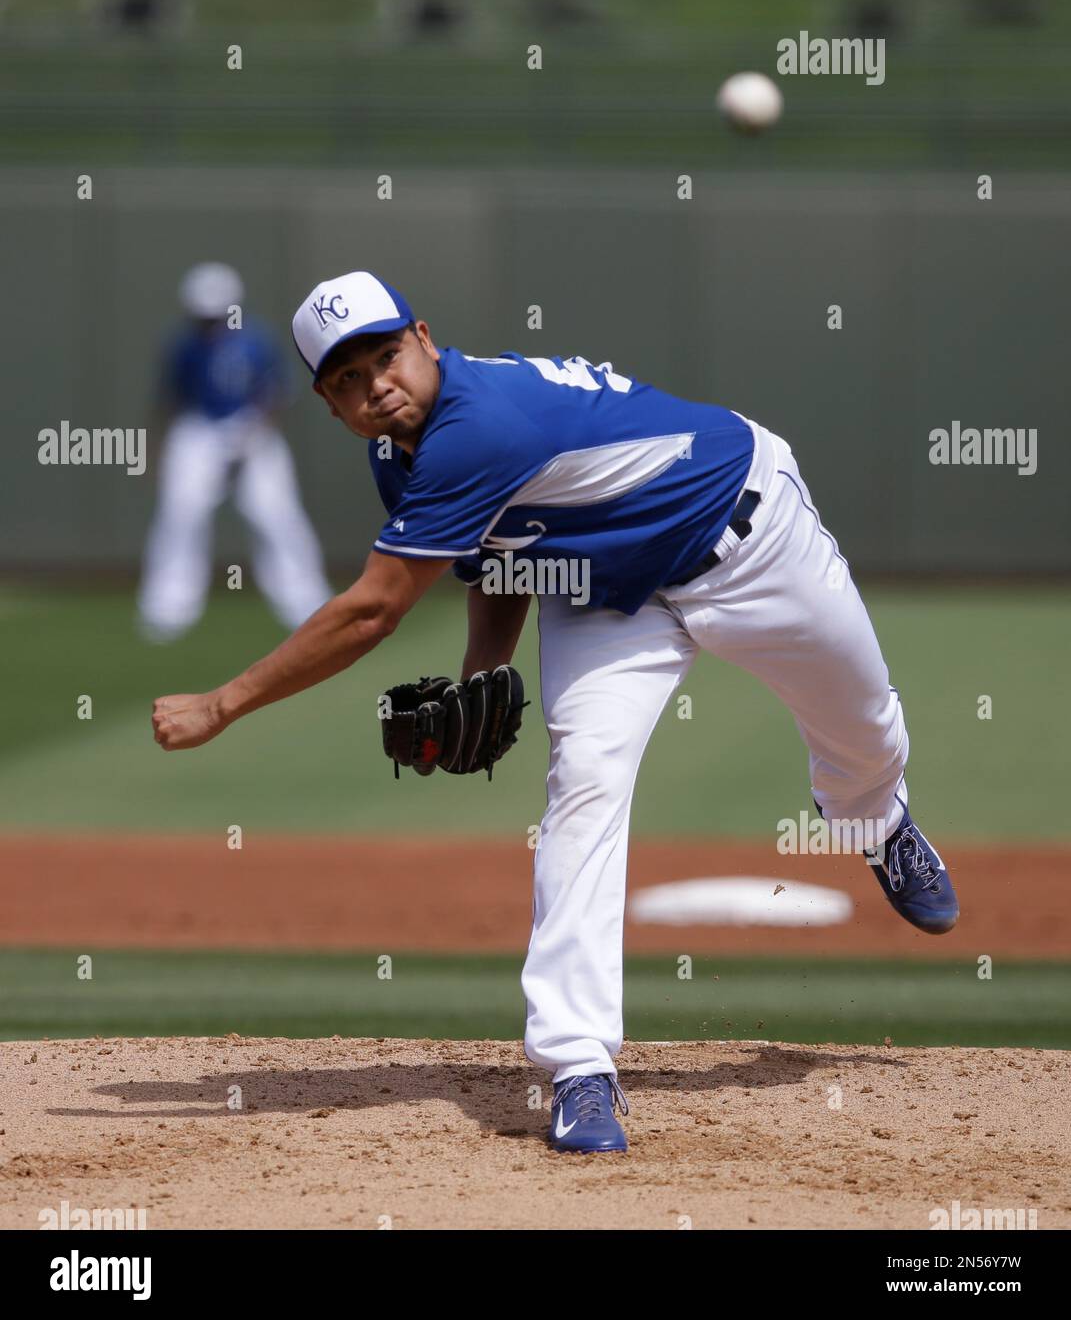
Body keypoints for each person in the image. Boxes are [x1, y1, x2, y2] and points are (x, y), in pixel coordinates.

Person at [151, 269, 960, 1154]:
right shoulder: (400, 456)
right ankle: (579, 1069)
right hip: (606, 594)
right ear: (326, 401)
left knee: (862, 726)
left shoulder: (476, 425)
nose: (375, 385)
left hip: (746, 536)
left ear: (424, 339)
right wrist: (478, 674)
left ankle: (874, 820)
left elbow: (373, 610)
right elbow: (502, 555)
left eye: (385, 357)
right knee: (583, 785)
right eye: (347, 379)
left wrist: (221, 704)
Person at [136, 262, 331, 642]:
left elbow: (277, 394)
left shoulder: (256, 340)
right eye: (203, 317)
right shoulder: (182, 346)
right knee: (180, 514)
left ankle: (306, 603)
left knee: (276, 514)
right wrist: (158, 453)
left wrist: (254, 434)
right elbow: (168, 402)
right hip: (198, 431)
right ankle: (168, 606)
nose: (209, 324)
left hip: (250, 427)